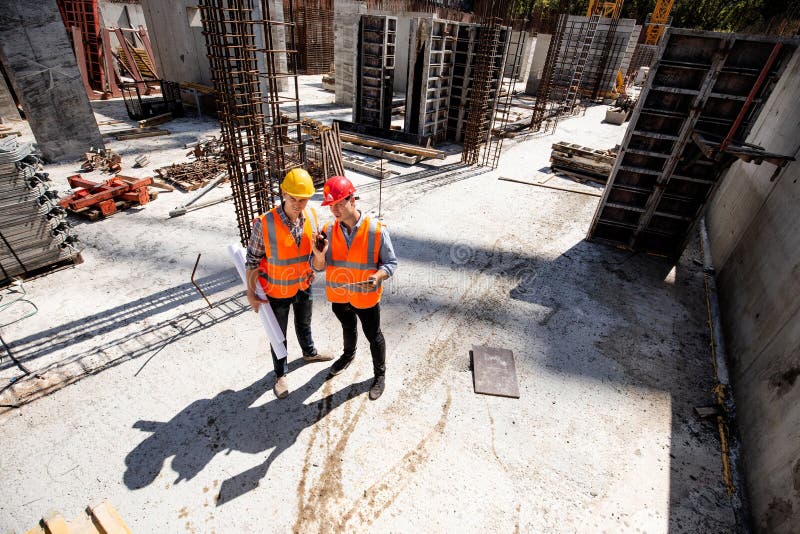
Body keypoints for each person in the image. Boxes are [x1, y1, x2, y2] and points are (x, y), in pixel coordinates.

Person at [245, 168, 332, 399]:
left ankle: (309, 352)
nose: (298, 204)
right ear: (283, 192)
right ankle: (280, 374)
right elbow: (252, 260)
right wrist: (251, 292)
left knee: (305, 324)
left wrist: (317, 258)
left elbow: (312, 257)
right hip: (277, 291)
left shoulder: (312, 217)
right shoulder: (265, 223)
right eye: (293, 198)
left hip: (304, 285)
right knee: (278, 334)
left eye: (303, 199)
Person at [311, 175, 398, 400]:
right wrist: (319, 256)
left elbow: (390, 263)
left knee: (373, 336)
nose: (336, 209)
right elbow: (319, 267)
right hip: (340, 296)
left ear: (353, 200)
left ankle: (380, 375)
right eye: (332, 205)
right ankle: (348, 355)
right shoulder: (327, 230)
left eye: (340, 203)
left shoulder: (376, 230)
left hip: (365, 297)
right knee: (348, 328)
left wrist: (378, 276)